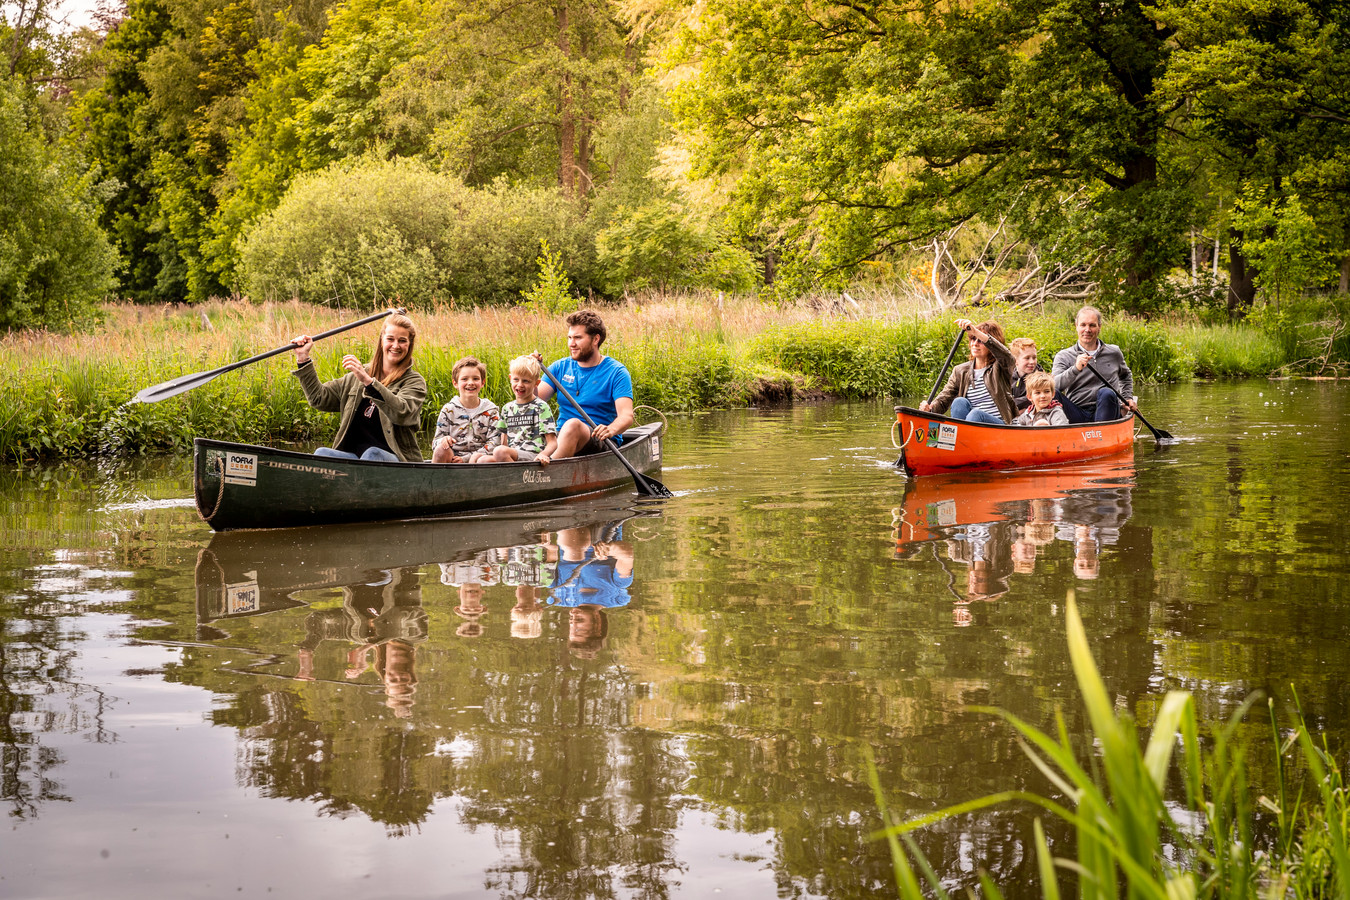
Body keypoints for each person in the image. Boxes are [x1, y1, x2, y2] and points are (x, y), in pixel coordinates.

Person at [290, 313, 426, 461]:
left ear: (410, 344)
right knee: (322, 453)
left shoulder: (414, 382)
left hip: (397, 461)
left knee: (372, 454)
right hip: (355, 457)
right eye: (390, 339)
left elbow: (402, 413)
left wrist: (369, 383)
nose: (395, 345)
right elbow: (319, 398)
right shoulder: (358, 375)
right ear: (382, 340)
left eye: (402, 341)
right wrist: (303, 358)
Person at [534, 309, 635, 459]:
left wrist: (611, 429)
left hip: (601, 440)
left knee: (573, 424)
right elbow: (535, 401)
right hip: (561, 437)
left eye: (578, 338)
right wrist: (531, 372)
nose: (571, 344)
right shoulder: (559, 367)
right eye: (569, 337)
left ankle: (547, 472)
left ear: (595, 340)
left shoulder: (617, 372)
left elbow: (626, 416)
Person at [920, 318, 1017, 424]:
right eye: (972, 338)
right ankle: (960, 436)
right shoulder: (960, 371)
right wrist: (930, 408)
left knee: (976, 414)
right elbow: (945, 397)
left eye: (979, 340)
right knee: (959, 402)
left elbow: (1007, 356)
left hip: (999, 426)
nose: (975, 344)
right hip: (971, 424)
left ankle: (960, 435)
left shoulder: (1002, 367)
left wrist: (975, 331)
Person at [1050, 306, 1138, 423]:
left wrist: (1127, 397)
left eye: (1092, 325)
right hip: (1077, 412)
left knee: (1106, 392)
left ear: (1099, 327)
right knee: (1051, 393)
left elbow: (1126, 376)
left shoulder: (1114, 352)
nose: (1087, 329)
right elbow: (1054, 386)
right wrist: (1075, 369)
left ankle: (1102, 432)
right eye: (1083, 325)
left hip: (1107, 410)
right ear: (1076, 326)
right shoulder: (1063, 356)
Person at [477, 355, 559, 464]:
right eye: (516, 379)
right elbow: (504, 442)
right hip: (513, 455)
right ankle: (507, 478)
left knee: (499, 452)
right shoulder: (507, 408)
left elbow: (553, 442)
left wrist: (543, 454)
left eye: (526, 381)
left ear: (536, 383)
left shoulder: (540, 407)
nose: (520, 385)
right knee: (483, 460)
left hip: (534, 456)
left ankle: (517, 479)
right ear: (511, 378)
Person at [431, 356, 499, 464]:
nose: (470, 382)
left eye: (475, 379)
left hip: (479, 459)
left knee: (485, 458)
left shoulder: (491, 411)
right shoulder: (448, 410)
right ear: (455, 383)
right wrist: (442, 441)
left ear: (482, 383)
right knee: (440, 449)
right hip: (453, 459)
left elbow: (495, 443)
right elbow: (435, 442)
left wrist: (466, 459)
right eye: (464, 379)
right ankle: (437, 479)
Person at [1009, 338, 1042, 412]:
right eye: (1027, 358)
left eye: (1034, 358)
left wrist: (1013, 403)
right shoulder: (1008, 377)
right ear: (1015, 360)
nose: (1032, 362)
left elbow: (1035, 398)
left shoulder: (1040, 377)